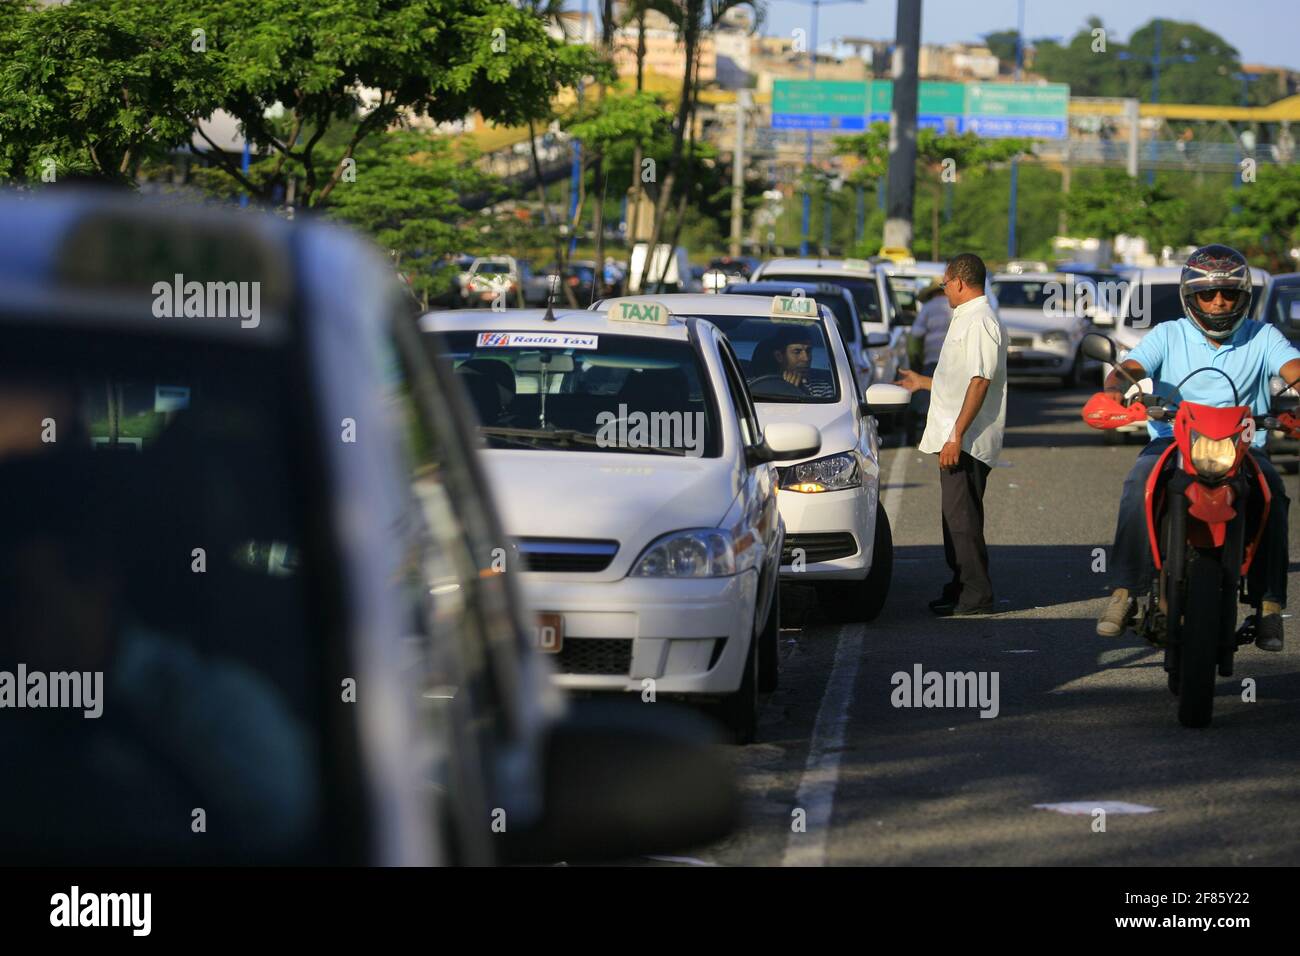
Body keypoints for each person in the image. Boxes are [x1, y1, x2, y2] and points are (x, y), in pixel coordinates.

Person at [1095, 244, 1300, 651]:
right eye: (1208, 294)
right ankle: (1124, 591)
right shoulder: (1169, 334)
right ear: (1192, 298)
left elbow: (1293, 369)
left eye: (1228, 293)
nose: (1219, 302)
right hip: (1173, 442)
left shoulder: (1263, 336)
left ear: (1243, 297)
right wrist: (1118, 389)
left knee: (1273, 493)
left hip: (1243, 446)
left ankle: (1270, 605)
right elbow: (1132, 368)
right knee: (1140, 483)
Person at [896, 253, 1008, 616]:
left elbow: (979, 382)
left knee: (963, 521)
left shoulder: (980, 321)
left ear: (959, 281)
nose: (944, 292)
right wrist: (923, 382)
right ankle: (960, 587)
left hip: (967, 440)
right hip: (956, 435)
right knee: (954, 519)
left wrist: (956, 435)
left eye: (945, 284)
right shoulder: (966, 318)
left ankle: (977, 595)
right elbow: (959, 381)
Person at [756, 326, 835, 398]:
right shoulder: (751, 386)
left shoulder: (823, 389)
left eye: (808, 351)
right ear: (779, 356)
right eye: (797, 352)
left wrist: (801, 392)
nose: (806, 358)